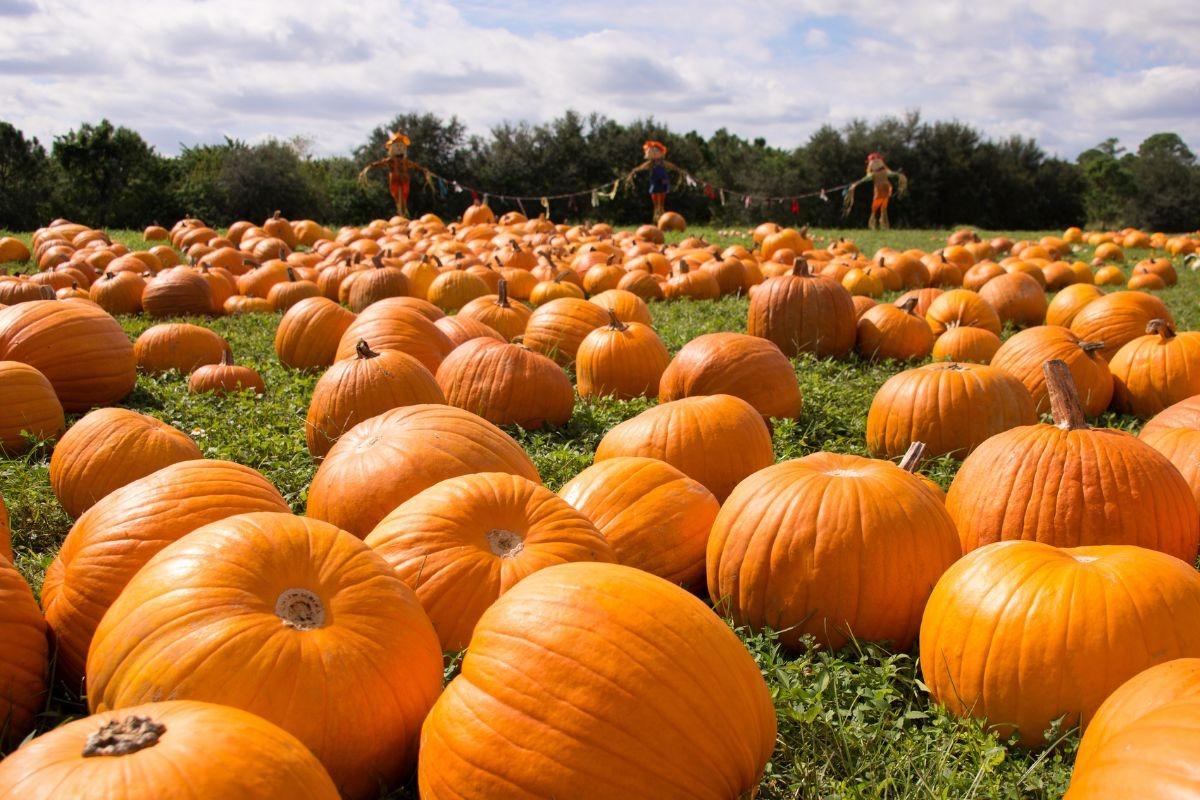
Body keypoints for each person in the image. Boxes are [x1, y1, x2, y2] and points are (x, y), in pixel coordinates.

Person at [358, 131, 419, 217]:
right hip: (395, 179)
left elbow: (414, 165)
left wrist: (424, 170)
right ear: (392, 148)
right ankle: (400, 215)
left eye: (401, 146)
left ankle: (404, 214)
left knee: (404, 197)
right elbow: (380, 163)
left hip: (405, 180)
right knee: (397, 197)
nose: (399, 148)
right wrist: (370, 166)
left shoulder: (406, 161)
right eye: (397, 146)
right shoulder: (390, 160)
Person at [843, 152, 908, 230]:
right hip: (884, 189)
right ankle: (879, 223)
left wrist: (856, 184)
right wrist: (899, 175)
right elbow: (891, 174)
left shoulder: (876, 173)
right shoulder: (881, 172)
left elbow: (865, 179)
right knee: (880, 207)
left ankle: (879, 223)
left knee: (879, 207)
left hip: (882, 190)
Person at [629, 140, 677, 222]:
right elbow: (642, 166)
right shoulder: (651, 163)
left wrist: (678, 169)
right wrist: (635, 170)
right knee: (655, 197)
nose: (654, 154)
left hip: (663, 181)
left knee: (662, 198)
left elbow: (671, 166)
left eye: (656, 152)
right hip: (655, 181)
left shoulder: (662, 162)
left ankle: (661, 214)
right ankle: (656, 214)